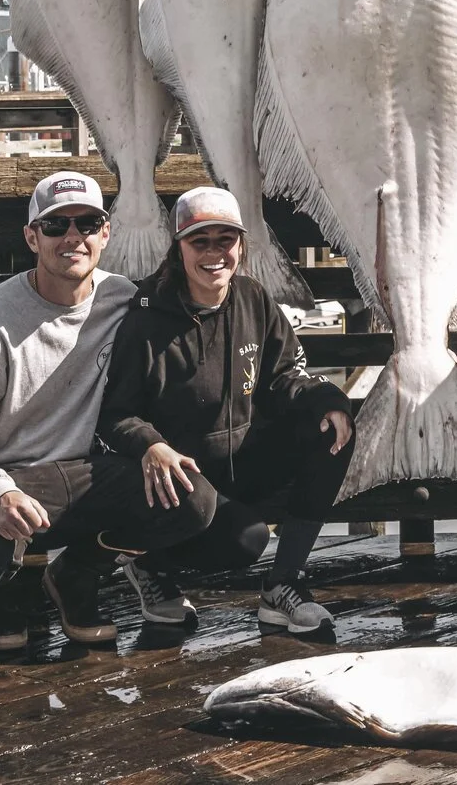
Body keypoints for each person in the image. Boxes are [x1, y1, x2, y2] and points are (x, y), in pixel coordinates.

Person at [86, 186, 355, 636]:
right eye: (200, 241)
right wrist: (151, 445)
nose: (214, 253)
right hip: (176, 481)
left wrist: (328, 401)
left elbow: (284, 375)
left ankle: (282, 585)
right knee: (244, 542)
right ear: (178, 248)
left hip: (242, 460)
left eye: (225, 240)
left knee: (332, 431)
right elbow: (115, 414)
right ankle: (149, 566)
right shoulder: (144, 315)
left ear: (241, 245)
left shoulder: (252, 297)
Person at [0, 170, 177, 653]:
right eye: (55, 226)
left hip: (86, 475)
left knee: (191, 502)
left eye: (88, 223)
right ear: (31, 237)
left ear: (106, 234)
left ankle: (76, 572)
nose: (73, 237)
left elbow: (208, 306)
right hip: (12, 476)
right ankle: (6, 586)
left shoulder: (128, 301)